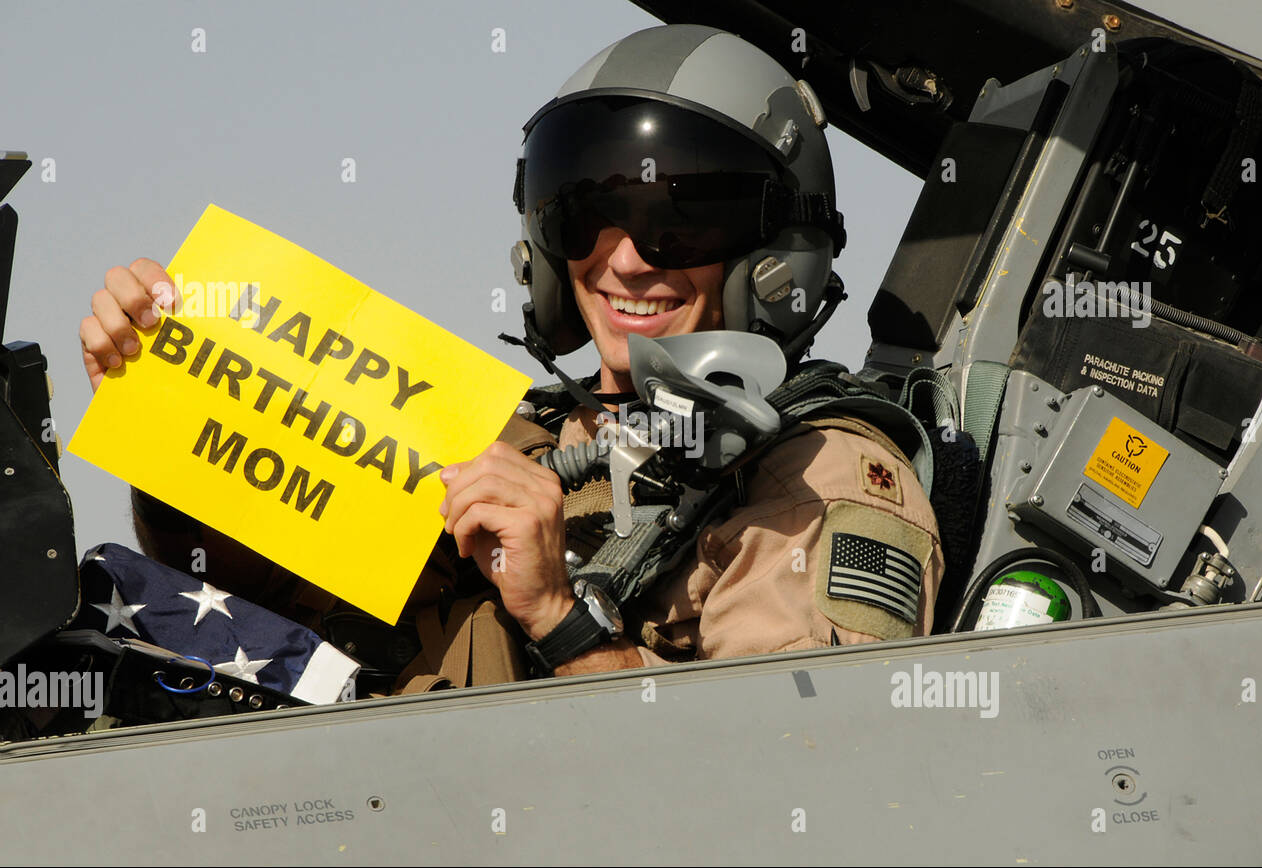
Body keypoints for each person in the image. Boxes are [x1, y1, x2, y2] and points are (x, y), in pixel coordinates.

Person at [78, 25, 944, 687]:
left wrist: (562, 620)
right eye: (585, 215)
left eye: (681, 220)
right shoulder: (492, 437)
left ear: (777, 258)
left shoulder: (813, 485)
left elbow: (796, 790)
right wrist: (170, 399)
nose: (627, 260)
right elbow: (242, 612)